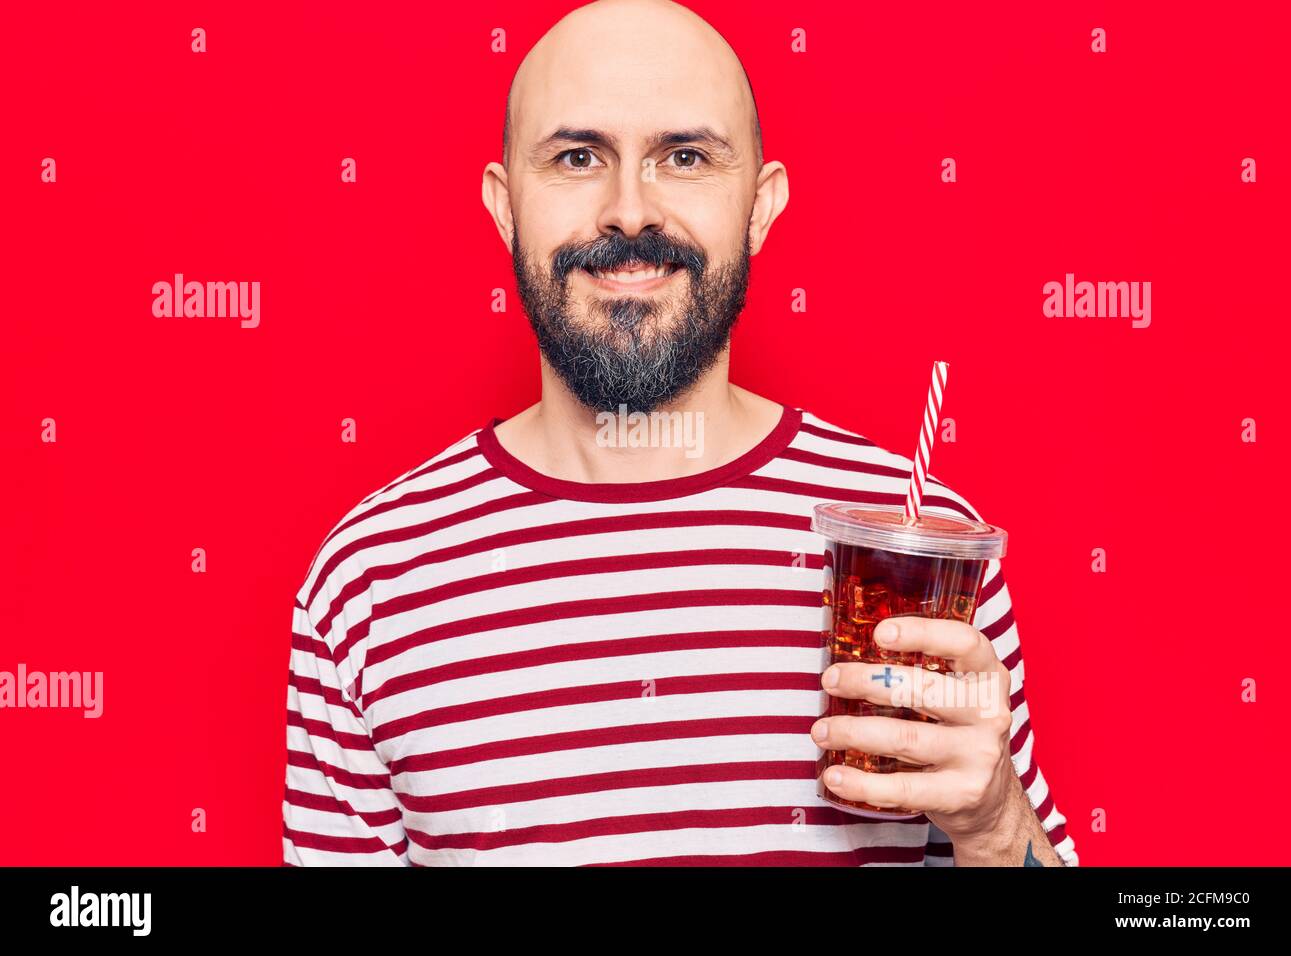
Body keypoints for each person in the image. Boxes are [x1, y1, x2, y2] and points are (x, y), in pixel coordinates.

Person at [282, 0, 1077, 866]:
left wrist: (996, 828)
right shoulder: (370, 582)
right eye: (579, 157)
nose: (631, 212)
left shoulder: (916, 554)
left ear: (761, 208)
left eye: (685, 157)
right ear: (505, 207)